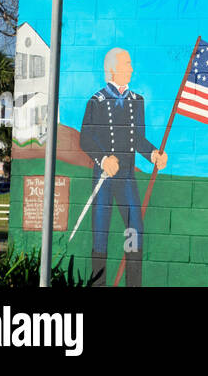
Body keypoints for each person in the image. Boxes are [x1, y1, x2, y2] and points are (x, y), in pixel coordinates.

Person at [78, 48, 166, 286]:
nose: (131, 69)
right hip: (104, 178)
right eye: (127, 64)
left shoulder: (137, 101)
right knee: (100, 234)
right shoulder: (96, 101)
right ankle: (99, 284)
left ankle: (133, 284)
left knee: (134, 230)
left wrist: (153, 154)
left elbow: (138, 138)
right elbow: (85, 138)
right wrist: (104, 159)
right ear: (113, 68)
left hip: (127, 176)